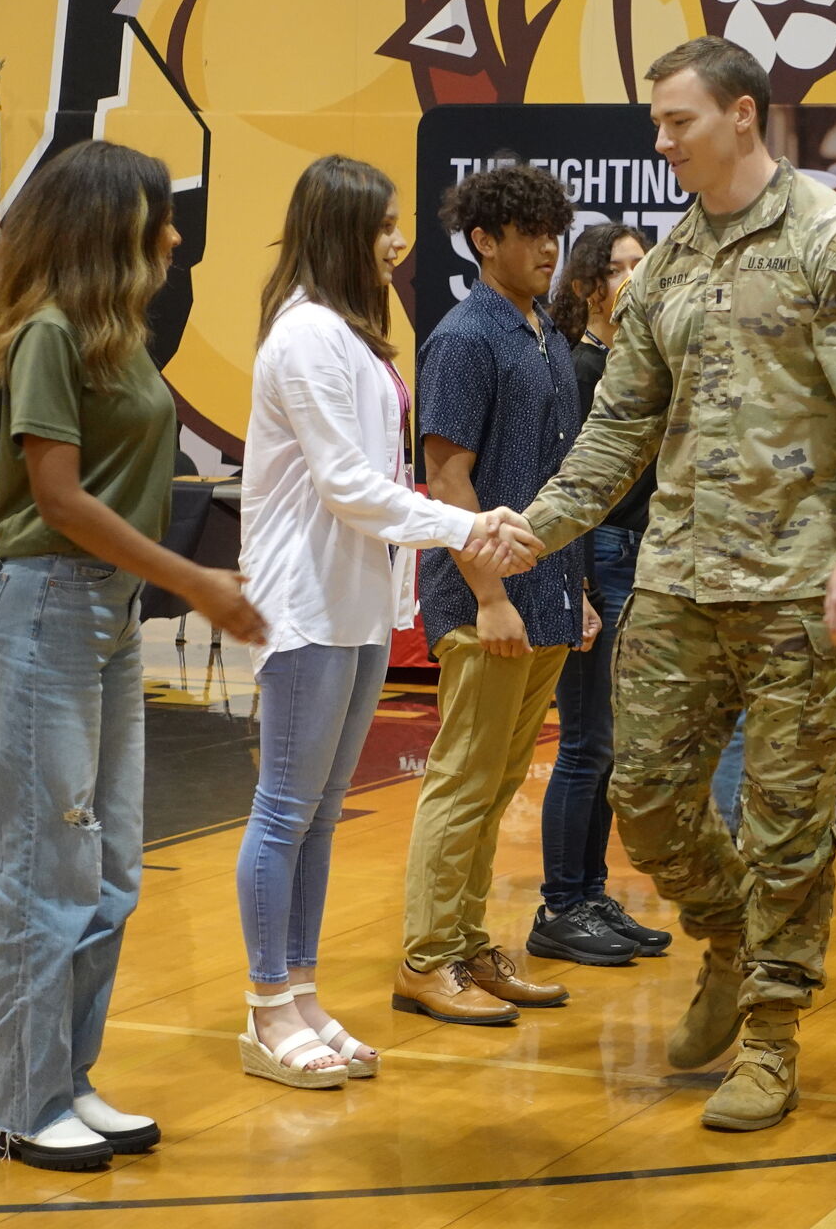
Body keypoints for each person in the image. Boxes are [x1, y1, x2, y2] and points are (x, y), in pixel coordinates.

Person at [522, 36, 836, 1131]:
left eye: (677, 121)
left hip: (803, 587)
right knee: (643, 798)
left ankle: (771, 1037)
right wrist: (537, 530)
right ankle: (729, 940)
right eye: (655, 123)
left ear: (743, 116)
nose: (659, 141)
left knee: (787, 819)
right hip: (681, 579)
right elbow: (620, 426)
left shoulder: (832, 245)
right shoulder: (663, 267)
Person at [0, 140, 268, 1172]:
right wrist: (197, 584)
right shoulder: (45, 333)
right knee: (43, 870)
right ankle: (18, 1103)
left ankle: (65, 1079)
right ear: (110, 225)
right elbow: (58, 500)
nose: (175, 236)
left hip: (101, 617)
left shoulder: (116, 338)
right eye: (159, 217)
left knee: (107, 875)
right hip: (44, 608)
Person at [236, 155, 539, 1087]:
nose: (398, 241)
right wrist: (468, 527)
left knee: (323, 815)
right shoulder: (304, 338)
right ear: (341, 231)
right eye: (383, 226)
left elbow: (370, 486)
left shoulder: (355, 336)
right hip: (304, 603)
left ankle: (302, 990)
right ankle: (263, 1009)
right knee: (285, 811)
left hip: (362, 603)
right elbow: (347, 486)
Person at [394, 163, 593, 1026]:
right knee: (464, 779)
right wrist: (491, 598)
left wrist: (570, 590)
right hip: (487, 603)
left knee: (502, 776)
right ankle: (425, 959)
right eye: (529, 232)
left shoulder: (543, 329)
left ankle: (470, 943)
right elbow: (446, 479)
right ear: (486, 241)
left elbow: (558, 475)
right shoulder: (466, 337)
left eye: (555, 229)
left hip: (547, 595)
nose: (549, 246)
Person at [528, 222, 673, 966]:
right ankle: (560, 904)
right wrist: (576, 584)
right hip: (599, 560)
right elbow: (575, 491)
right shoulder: (580, 367)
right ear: (587, 285)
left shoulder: (633, 363)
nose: (632, 279)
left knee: (610, 746)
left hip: (638, 558)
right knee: (584, 743)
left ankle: (590, 891)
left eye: (641, 266)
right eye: (617, 269)